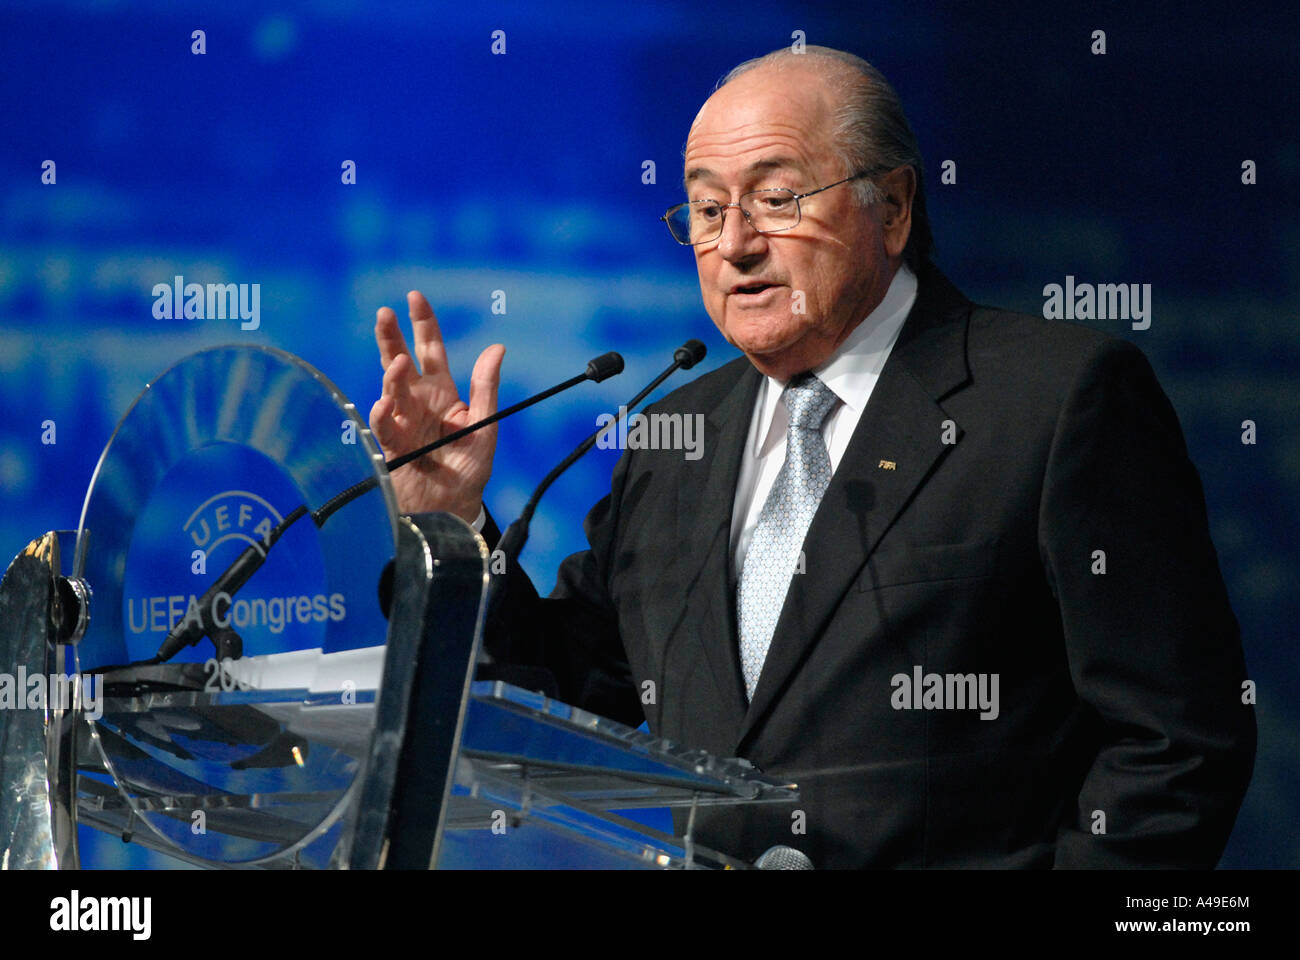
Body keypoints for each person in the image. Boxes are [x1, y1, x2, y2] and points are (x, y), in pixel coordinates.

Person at [368, 47, 1255, 868]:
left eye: (777, 198)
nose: (736, 243)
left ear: (894, 206)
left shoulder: (1054, 400)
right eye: (708, 209)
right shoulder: (677, 438)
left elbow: (1175, 745)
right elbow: (574, 698)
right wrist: (447, 528)